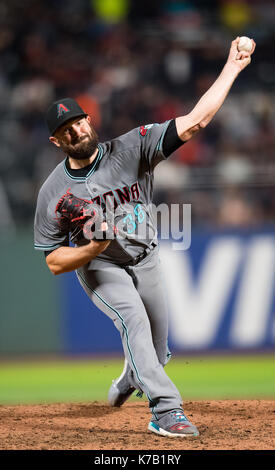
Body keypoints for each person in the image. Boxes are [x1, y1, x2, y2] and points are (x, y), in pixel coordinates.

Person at [34, 37, 255, 438]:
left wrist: (233, 68)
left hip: (146, 256)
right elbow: (52, 262)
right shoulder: (53, 192)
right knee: (131, 318)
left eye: (79, 120)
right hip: (101, 266)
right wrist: (91, 248)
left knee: (158, 353)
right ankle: (166, 411)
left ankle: (130, 377)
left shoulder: (132, 146)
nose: (77, 130)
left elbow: (197, 121)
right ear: (56, 141)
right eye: (66, 129)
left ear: (90, 119)